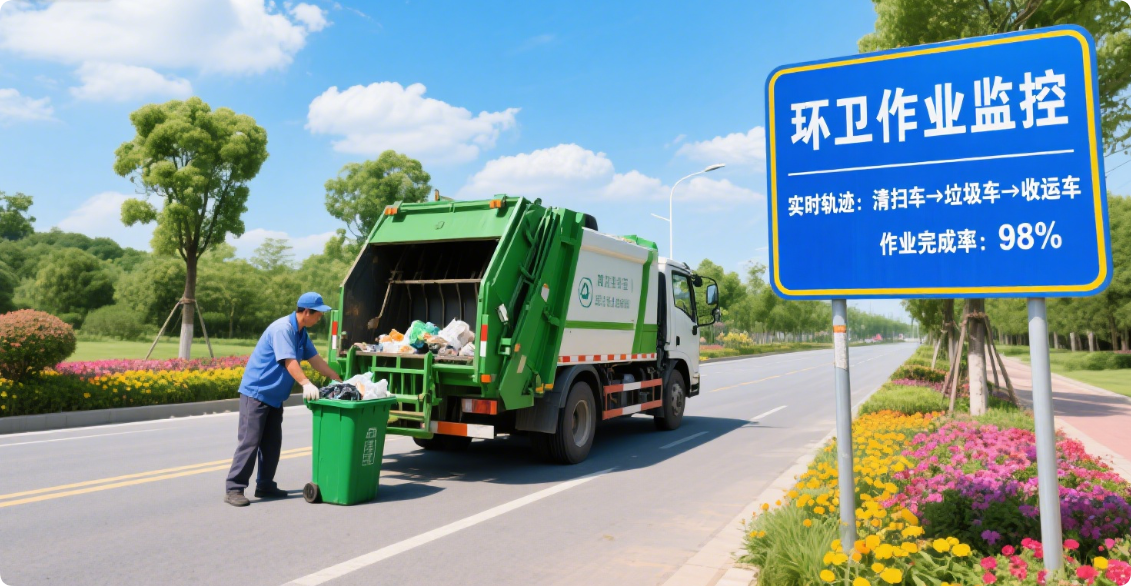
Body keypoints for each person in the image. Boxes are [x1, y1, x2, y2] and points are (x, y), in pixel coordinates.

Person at [224, 292, 342, 507]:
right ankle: (234, 488)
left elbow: (315, 360)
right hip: (257, 393)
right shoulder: (283, 329)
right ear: (307, 312)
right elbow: (289, 361)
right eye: (318, 314)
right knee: (250, 442)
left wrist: (337, 379)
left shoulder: (301, 333)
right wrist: (306, 383)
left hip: (275, 397)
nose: (320, 318)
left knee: (272, 444)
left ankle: (265, 485)